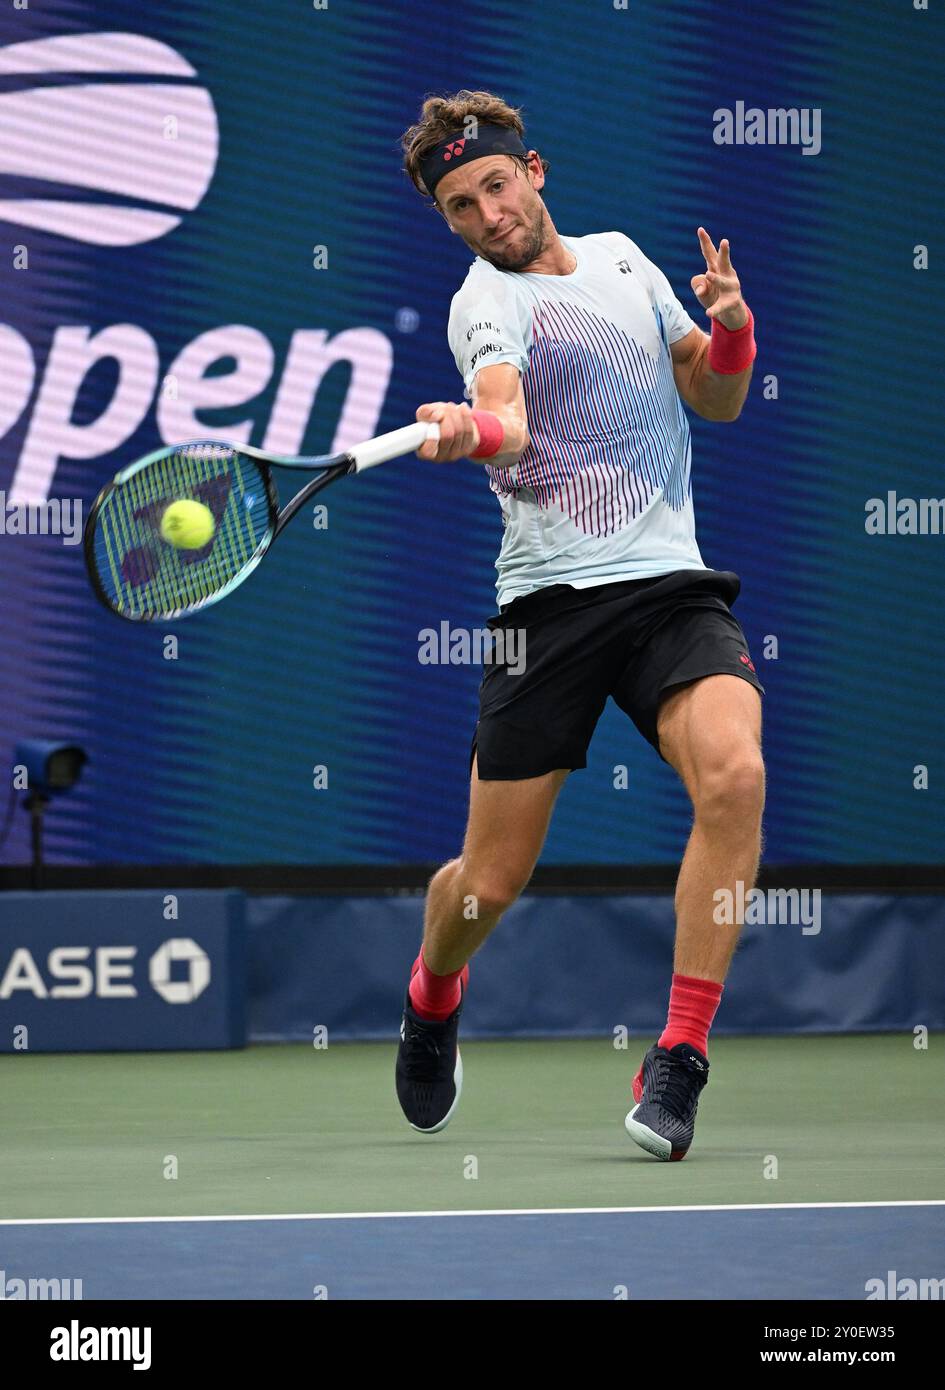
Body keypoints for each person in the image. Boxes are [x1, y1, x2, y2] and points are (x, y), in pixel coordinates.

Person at [395, 90, 764, 1161]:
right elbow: (508, 420)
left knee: (734, 777)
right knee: (486, 887)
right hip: (546, 613)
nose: (487, 216)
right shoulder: (484, 306)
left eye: (495, 187)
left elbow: (714, 394)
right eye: (460, 206)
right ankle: (433, 991)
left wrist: (732, 331)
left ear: (535, 171)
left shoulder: (621, 261)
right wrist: (475, 428)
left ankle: (679, 1057)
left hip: (668, 589)